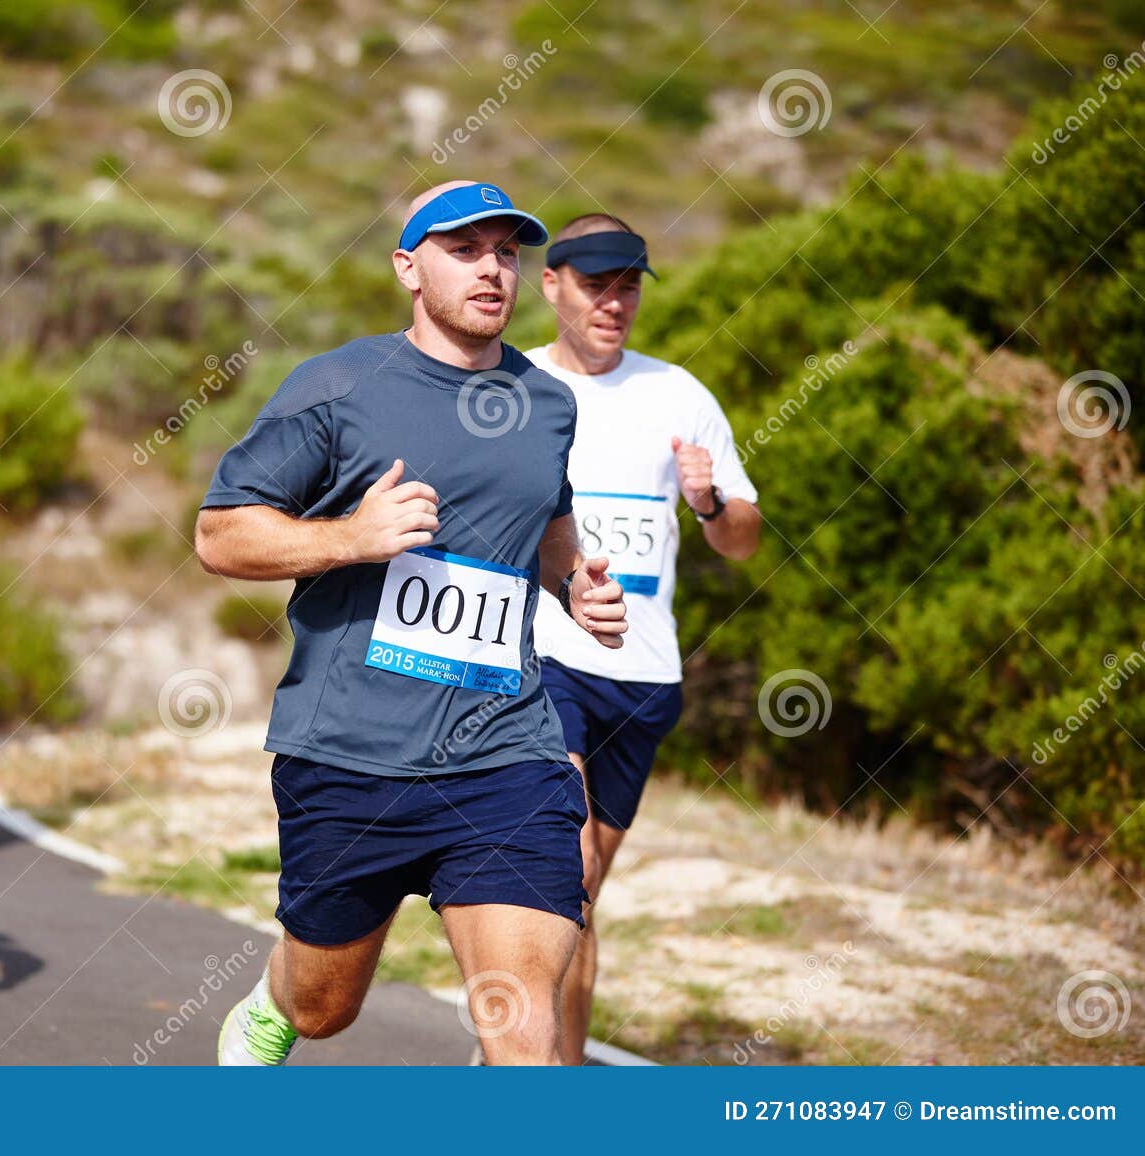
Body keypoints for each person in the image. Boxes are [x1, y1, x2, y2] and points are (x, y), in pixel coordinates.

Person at [198, 181, 628, 1066]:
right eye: (464, 249)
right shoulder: (340, 387)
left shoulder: (547, 404)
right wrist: (351, 536)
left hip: (506, 752)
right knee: (324, 1009)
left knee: (522, 1026)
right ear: (408, 266)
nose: (492, 269)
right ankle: (271, 1004)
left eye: (507, 252)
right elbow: (219, 534)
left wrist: (572, 586)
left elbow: (546, 521)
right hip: (351, 753)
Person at [527, 214, 761, 1064]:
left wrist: (706, 502)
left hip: (644, 676)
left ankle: (529, 1046)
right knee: (568, 865)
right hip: (543, 659)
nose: (615, 301)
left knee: (579, 896)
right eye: (596, 284)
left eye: (629, 284)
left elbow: (742, 537)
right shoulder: (513, 384)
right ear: (551, 285)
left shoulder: (679, 393)